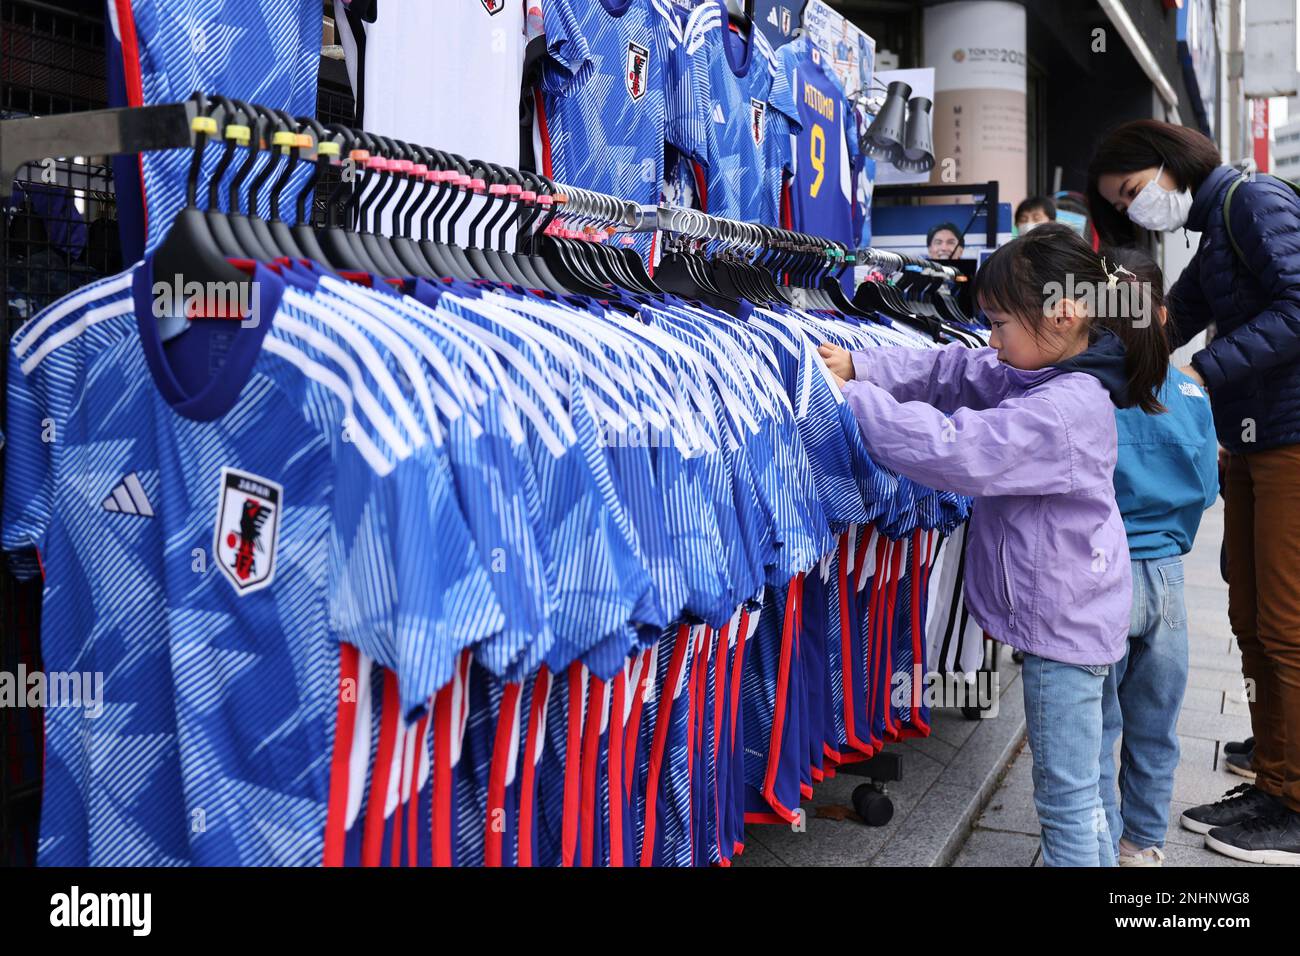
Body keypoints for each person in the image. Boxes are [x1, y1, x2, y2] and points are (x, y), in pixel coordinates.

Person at [818, 224, 1166, 866]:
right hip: (1079, 616)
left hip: (1065, 632)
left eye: (1000, 323)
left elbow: (961, 449)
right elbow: (955, 368)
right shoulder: (1048, 371)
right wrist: (867, 363)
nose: (992, 339)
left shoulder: (1061, 408)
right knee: (1087, 787)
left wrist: (856, 400)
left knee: (1066, 798)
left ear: (1060, 317)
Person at [1090, 119, 1300, 865]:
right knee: (1248, 615)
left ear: (1164, 163)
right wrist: (1085, 355)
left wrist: (1203, 374)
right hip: (1255, 436)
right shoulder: (1216, 231)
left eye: (1132, 190)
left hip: (1289, 437)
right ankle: (1270, 780)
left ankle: (1294, 799)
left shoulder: (1253, 201)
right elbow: (1168, 318)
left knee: (1283, 622)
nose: (1135, 206)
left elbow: (1298, 307)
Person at [1093, 245, 1219, 867]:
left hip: (1099, 573)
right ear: (1163, 314)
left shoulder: (1084, 391)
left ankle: (1096, 836)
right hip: (1167, 576)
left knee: (1099, 720)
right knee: (1156, 724)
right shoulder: (1191, 395)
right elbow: (1206, 491)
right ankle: (1142, 845)